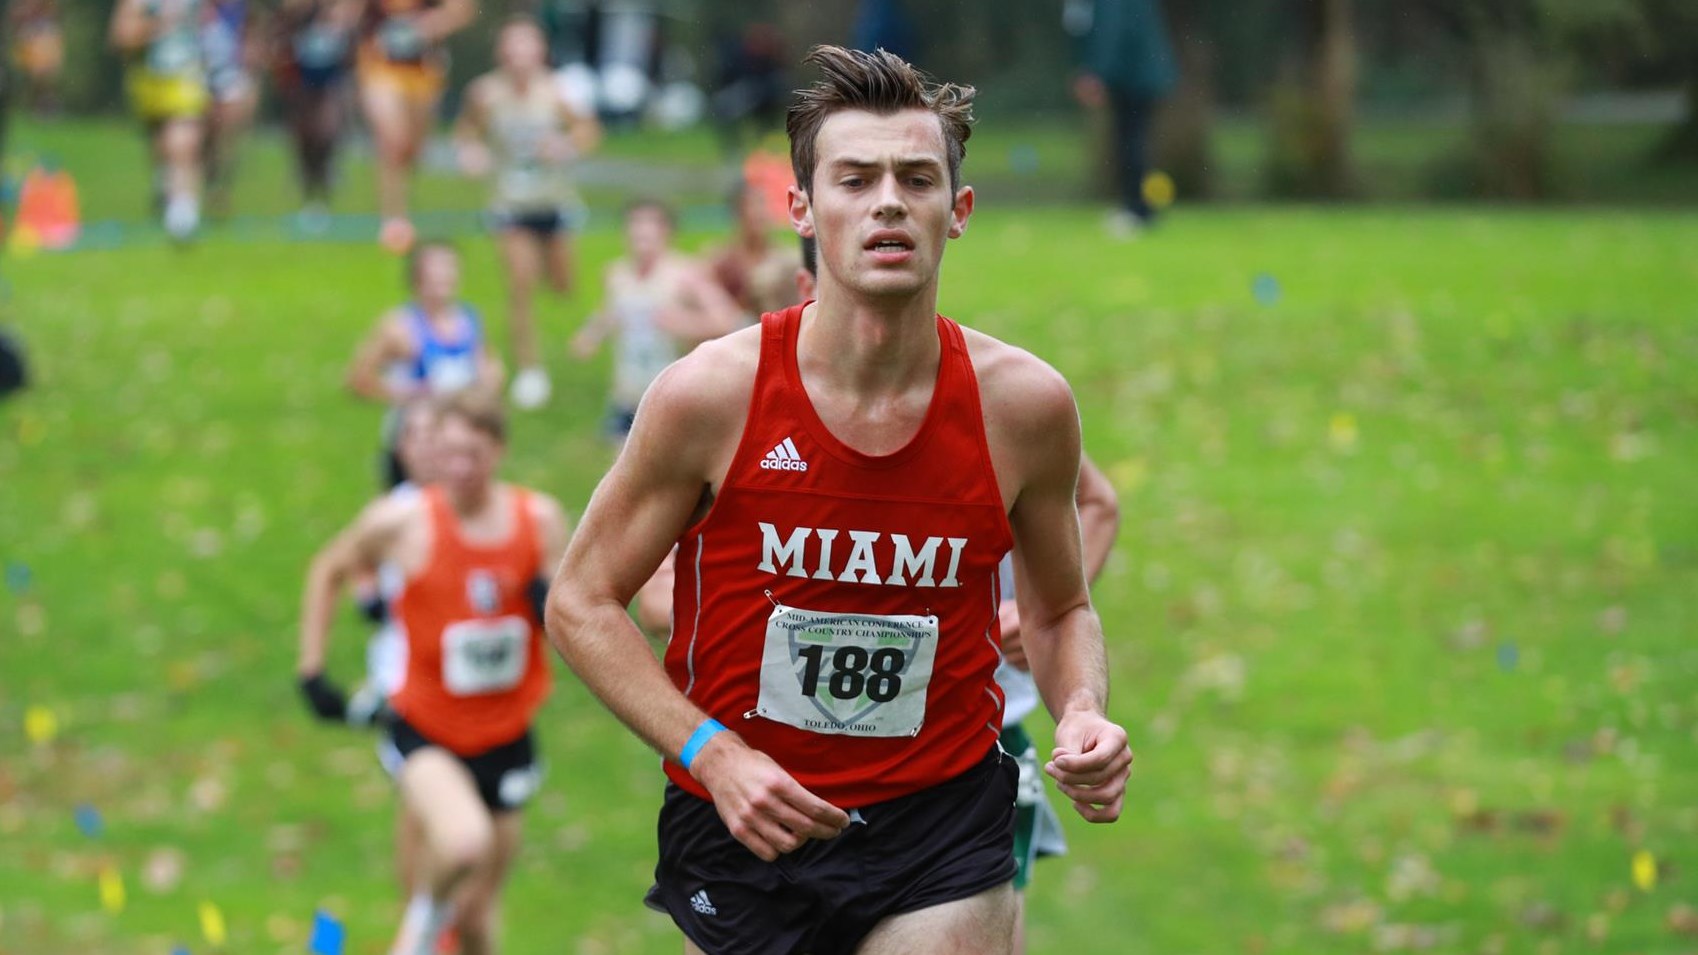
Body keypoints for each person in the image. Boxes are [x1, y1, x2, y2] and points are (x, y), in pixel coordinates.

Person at [545, 45, 1132, 955]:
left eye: (917, 178)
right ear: (803, 208)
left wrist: (1083, 708)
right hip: (746, 822)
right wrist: (716, 754)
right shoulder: (711, 395)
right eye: (855, 179)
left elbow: (1058, 607)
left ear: (958, 210)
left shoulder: (1024, 406)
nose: (889, 201)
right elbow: (580, 601)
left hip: (942, 817)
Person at [297, 393, 570, 955]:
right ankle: (419, 933)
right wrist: (313, 669)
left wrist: (550, 599)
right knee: (462, 843)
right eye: (448, 454)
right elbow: (329, 567)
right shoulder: (402, 522)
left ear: (499, 450)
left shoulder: (537, 519)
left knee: (475, 914)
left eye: (473, 454)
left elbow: (570, 601)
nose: (460, 468)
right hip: (426, 727)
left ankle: (438, 925)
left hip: (507, 733)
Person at [454, 15, 603, 412]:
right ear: (501, 52)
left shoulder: (556, 91)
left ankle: (550, 283)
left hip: (554, 202)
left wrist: (566, 145)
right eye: (512, 47)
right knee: (519, 286)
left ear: (540, 52)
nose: (519, 56)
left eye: (527, 46)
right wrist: (471, 152)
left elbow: (589, 131)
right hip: (509, 205)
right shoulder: (484, 93)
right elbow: (466, 131)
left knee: (561, 285)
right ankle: (530, 370)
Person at [570, 199, 740, 443]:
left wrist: (685, 323)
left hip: (672, 394)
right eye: (635, 223)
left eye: (650, 223)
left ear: (667, 231)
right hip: (627, 393)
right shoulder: (617, 274)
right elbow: (610, 311)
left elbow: (727, 319)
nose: (642, 231)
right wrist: (591, 335)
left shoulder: (685, 274)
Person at [346, 240, 504, 488]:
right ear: (417, 277)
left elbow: (490, 366)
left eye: (449, 267)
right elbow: (358, 380)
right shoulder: (399, 327)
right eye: (436, 268)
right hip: (416, 450)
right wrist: (413, 393)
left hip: (460, 446)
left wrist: (485, 387)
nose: (444, 275)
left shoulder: (469, 320)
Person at [356, 0, 475, 253]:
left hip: (423, 69)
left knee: (412, 149)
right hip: (380, 65)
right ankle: (393, 220)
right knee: (392, 141)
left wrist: (429, 25)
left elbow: (462, 11)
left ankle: (404, 201)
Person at [1067, 0, 1177, 238]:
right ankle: (1138, 208)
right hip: (1138, 71)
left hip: (1135, 74)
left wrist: (1096, 72)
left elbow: (1110, 29)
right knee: (1132, 141)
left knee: (1131, 143)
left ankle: (1138, 211)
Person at [109, 0, 210, 241]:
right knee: (162, 148)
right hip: (150, 80)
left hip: (186, 76)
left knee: (184, 143)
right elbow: (121, 38)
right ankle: (168, 189)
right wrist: (156, 24)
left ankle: (183, 210)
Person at [272, 0, 358, 229]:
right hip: (302, 78)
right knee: (305, 138)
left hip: (332, 79)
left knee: (328, 131)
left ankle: (326, 182)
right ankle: (309, 193)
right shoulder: (300, 12)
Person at [706, 181, 804, 324]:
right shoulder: (722, 260)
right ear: (737, 214)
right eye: (750, 206)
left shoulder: (787, 259)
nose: (757, 213)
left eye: (762, 205)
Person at [200, 0, 259, 217]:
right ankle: (208, 181)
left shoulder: (239, 8)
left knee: (229, 136)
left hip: (231, 76)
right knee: (206, 138)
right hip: (198, 76)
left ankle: (221, 188)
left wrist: (251, 78)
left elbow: (251, 40)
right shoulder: (196, 8)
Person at [7, 0, 64, 116]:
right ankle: (36, 105)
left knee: (44, 74)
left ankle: (44, 105)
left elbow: (54, 12)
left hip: (43, 34)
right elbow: (15, 16)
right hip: (29, 35)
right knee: (33, 75)